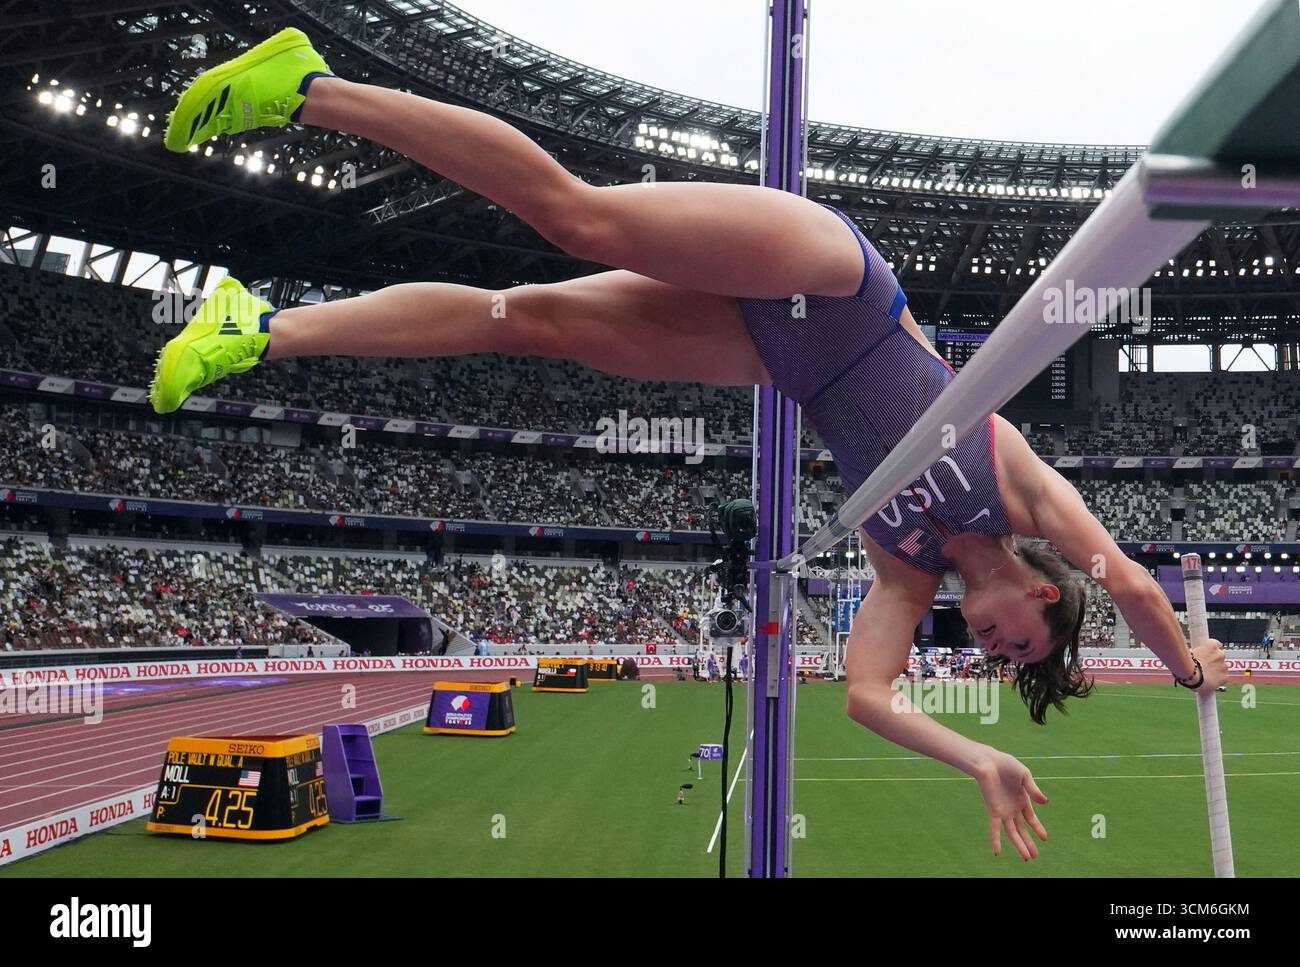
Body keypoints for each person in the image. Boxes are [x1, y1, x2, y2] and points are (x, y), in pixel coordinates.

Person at [150, 28, 1229, 862]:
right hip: (831, 285)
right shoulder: (1022, 494)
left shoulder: (905, 565)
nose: (987, 651)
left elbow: (866, 695)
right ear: (1041, 596)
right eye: (1014, 649)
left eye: (996, 669)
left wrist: (979, 753)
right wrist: (1187, 662)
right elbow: (1129, 580)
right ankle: (309, 87)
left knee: (526, 316)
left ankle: (259, 331)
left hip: (774, 352)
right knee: (580, 220)